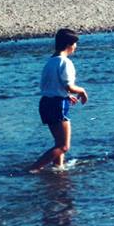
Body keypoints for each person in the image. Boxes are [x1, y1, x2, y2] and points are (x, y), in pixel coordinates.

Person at [30, 29, 89, 172]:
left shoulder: (50, 61)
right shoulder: (66, 62)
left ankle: (58, 169)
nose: (76, 47)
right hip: (57, 105)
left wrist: (66, 95)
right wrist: (82, 91)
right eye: (75, 44)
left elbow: (49, 84)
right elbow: (69, 86)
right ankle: (33, 169)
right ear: (69, 44)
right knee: (64, 146)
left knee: (58, 143)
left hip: (45, 103)